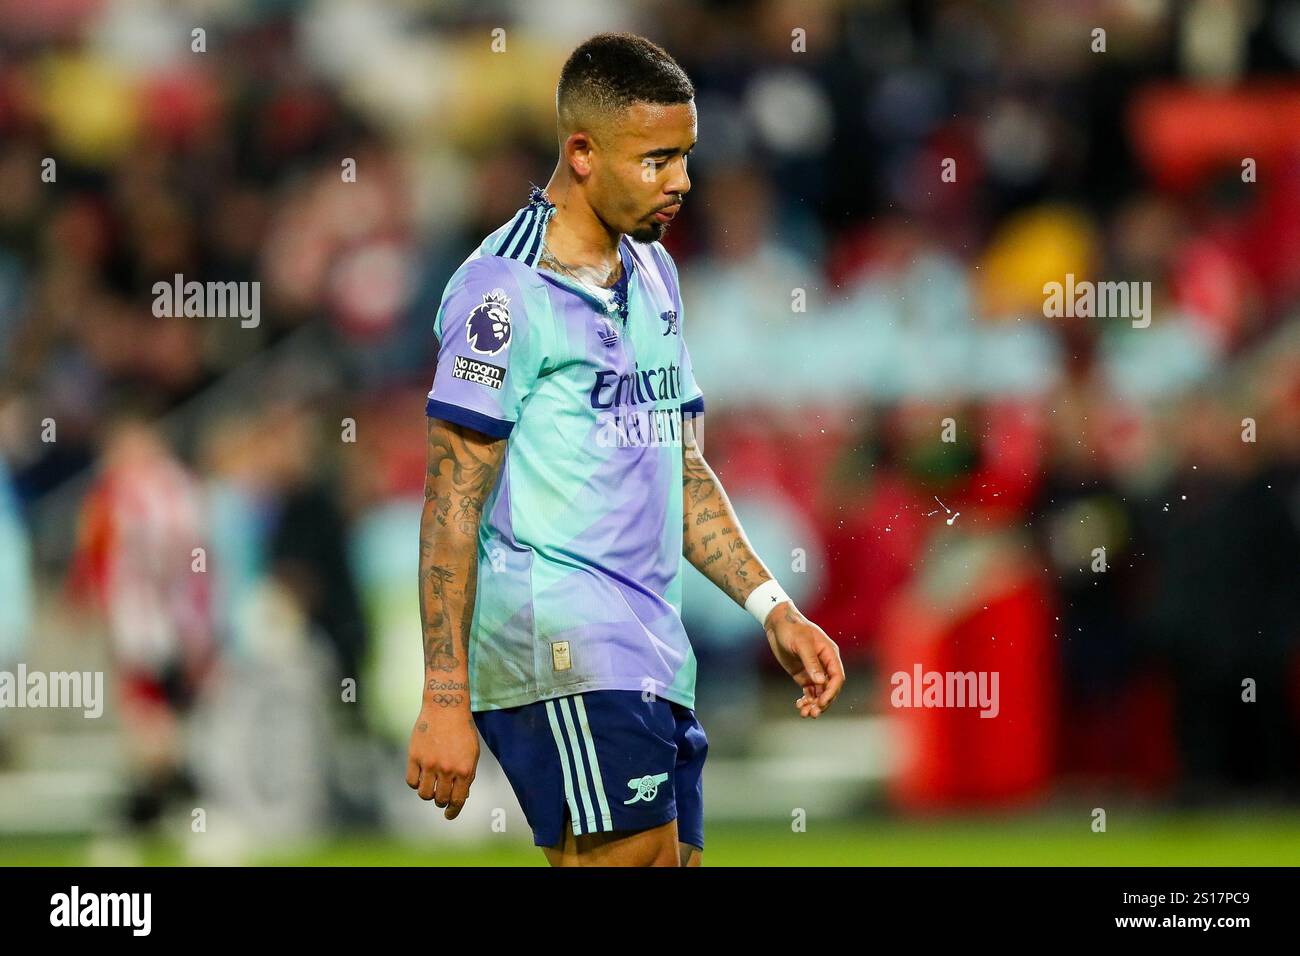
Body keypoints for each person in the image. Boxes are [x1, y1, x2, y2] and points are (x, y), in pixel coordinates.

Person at [406, 32, 844, 867]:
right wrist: (443, 695)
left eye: (685, 157)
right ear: (581, 152)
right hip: (559, 639)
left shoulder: (652, 272)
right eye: (656, 160)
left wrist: (772, 608)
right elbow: (452, 498)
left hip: (650, 640)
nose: (680, 182)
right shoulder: (503, 292)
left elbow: (678, 464)